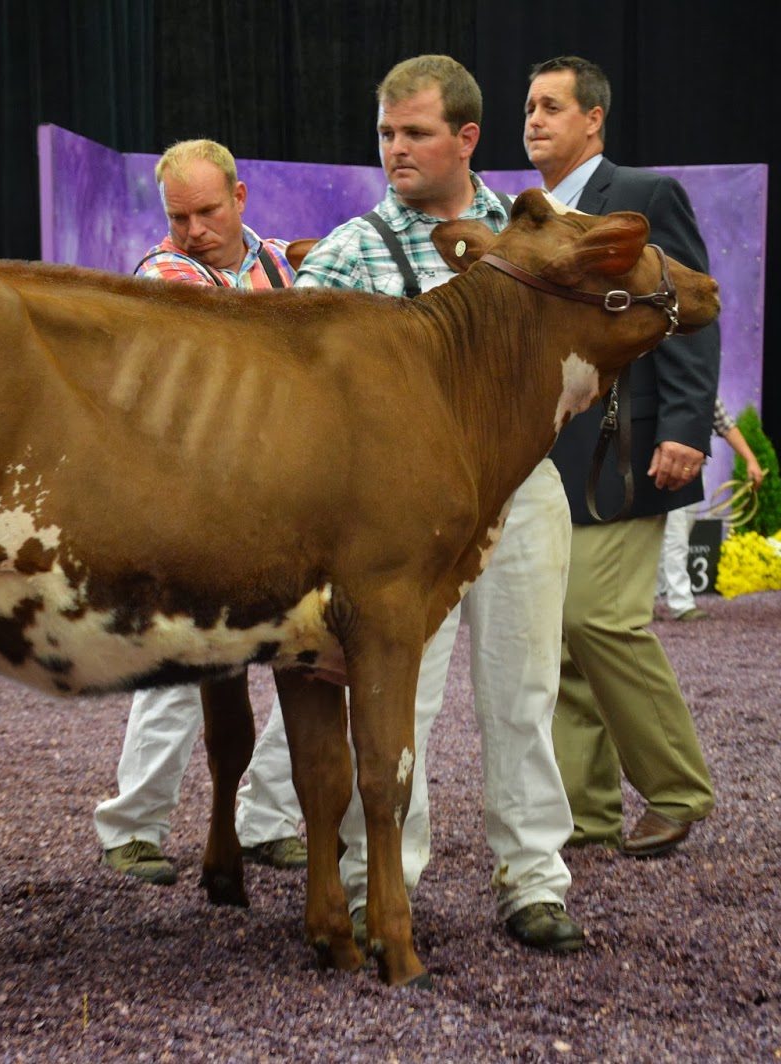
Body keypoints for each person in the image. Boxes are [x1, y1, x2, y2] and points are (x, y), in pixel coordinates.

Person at [292, 55, 582, 953]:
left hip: (522, 488)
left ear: (466, 139)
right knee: (393, 693)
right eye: (385, 133)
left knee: (525, 690)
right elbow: (296, 393)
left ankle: (534, 881)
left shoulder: (541, 234)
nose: (395, 150)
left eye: (415, 132)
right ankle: (376, 880)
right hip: (397, 520)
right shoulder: (346, 250)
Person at [94, 139, 308, 885]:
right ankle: (132, 827)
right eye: (178, 216)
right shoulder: (162, 276)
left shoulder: (282, 262)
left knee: (305, 666)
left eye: (208, 211)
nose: (193, 230)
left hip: (281, 503)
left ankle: (269, 820)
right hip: (189, 505)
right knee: (177, 664)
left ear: (241, 198)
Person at [525, 56, 720, 856]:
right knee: (564, 638)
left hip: (630, 446)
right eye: (529, 107)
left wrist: (684, 428)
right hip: (544, 456)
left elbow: (684, 313)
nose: (534, 120)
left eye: (551, 107)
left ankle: (678, 788)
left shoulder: (642, 196)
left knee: (595, 619)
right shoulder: (527, 215)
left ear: (594, 119)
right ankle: (585, 813)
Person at [656, 397, 766, 621]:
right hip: (669, 470)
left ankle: (649, 600)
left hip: (694, 472)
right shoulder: (671, 384)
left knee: (672, 537)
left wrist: (750, 459)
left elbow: (724, 423)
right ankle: (681, 603)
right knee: (674, 540)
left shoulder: (701, 388)